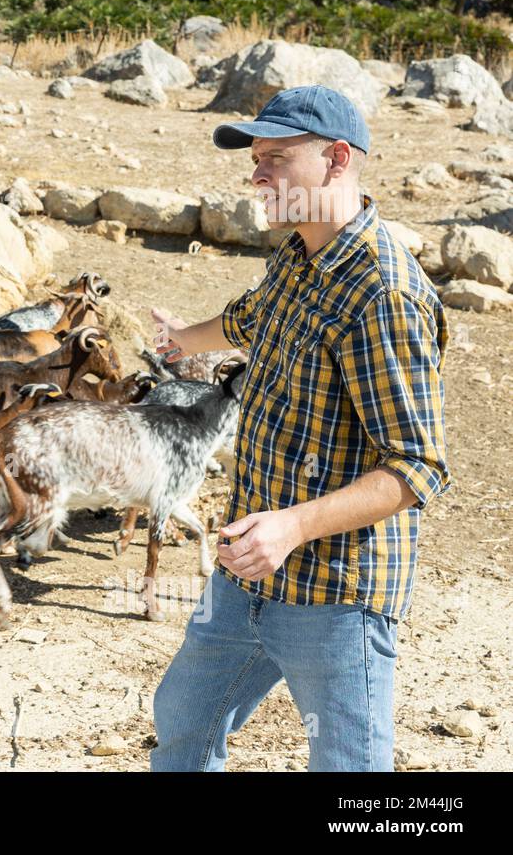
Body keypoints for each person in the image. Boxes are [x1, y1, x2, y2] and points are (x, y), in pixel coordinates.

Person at [149, 85, 450, 772]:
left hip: (335, 592)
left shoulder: (385, 294)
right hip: (247, 572)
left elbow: (417, 466)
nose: (257, 177)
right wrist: (181, 340)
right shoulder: (298, 253)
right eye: (256, 159)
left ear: (337, 159)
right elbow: (248, 319)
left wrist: (291, 527)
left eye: (276, 159)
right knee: (184, 720)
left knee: (347, 771)